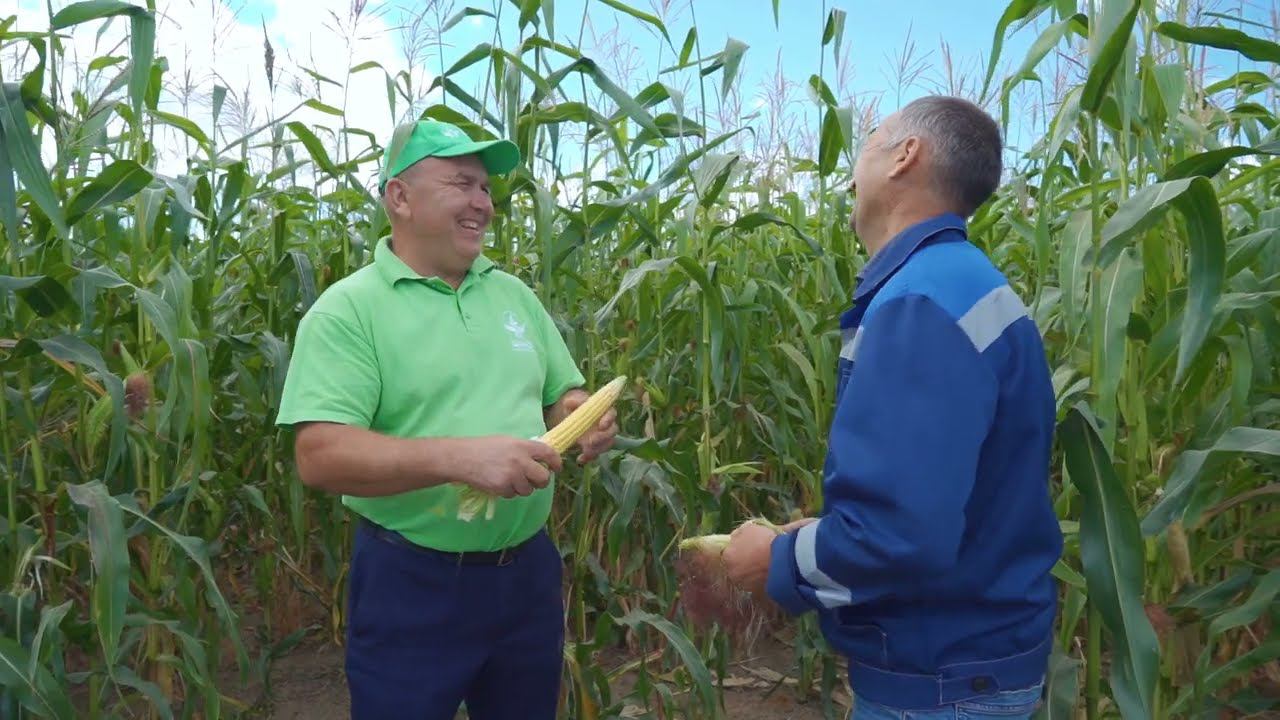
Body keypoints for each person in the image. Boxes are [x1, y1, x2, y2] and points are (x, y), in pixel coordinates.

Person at [722, 95, 1063, 719]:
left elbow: (901, 538)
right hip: (974, 660)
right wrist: (822, 534)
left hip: (940, 679)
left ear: (906, 155)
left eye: (870, 139)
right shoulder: (961, 282)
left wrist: (773, 561)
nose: (853, 166)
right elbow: (955, 497)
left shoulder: (919, 304)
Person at [274, 118, 618, 720]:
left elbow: (562, 394)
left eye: (486, 189)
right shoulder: (349, 311)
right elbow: (319, 455)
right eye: (462, 183)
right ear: (399, 198)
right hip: (412, 580)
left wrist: (579, 417)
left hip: (527, 576)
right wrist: (459, 459)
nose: (482, 203)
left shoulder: (513, 296)